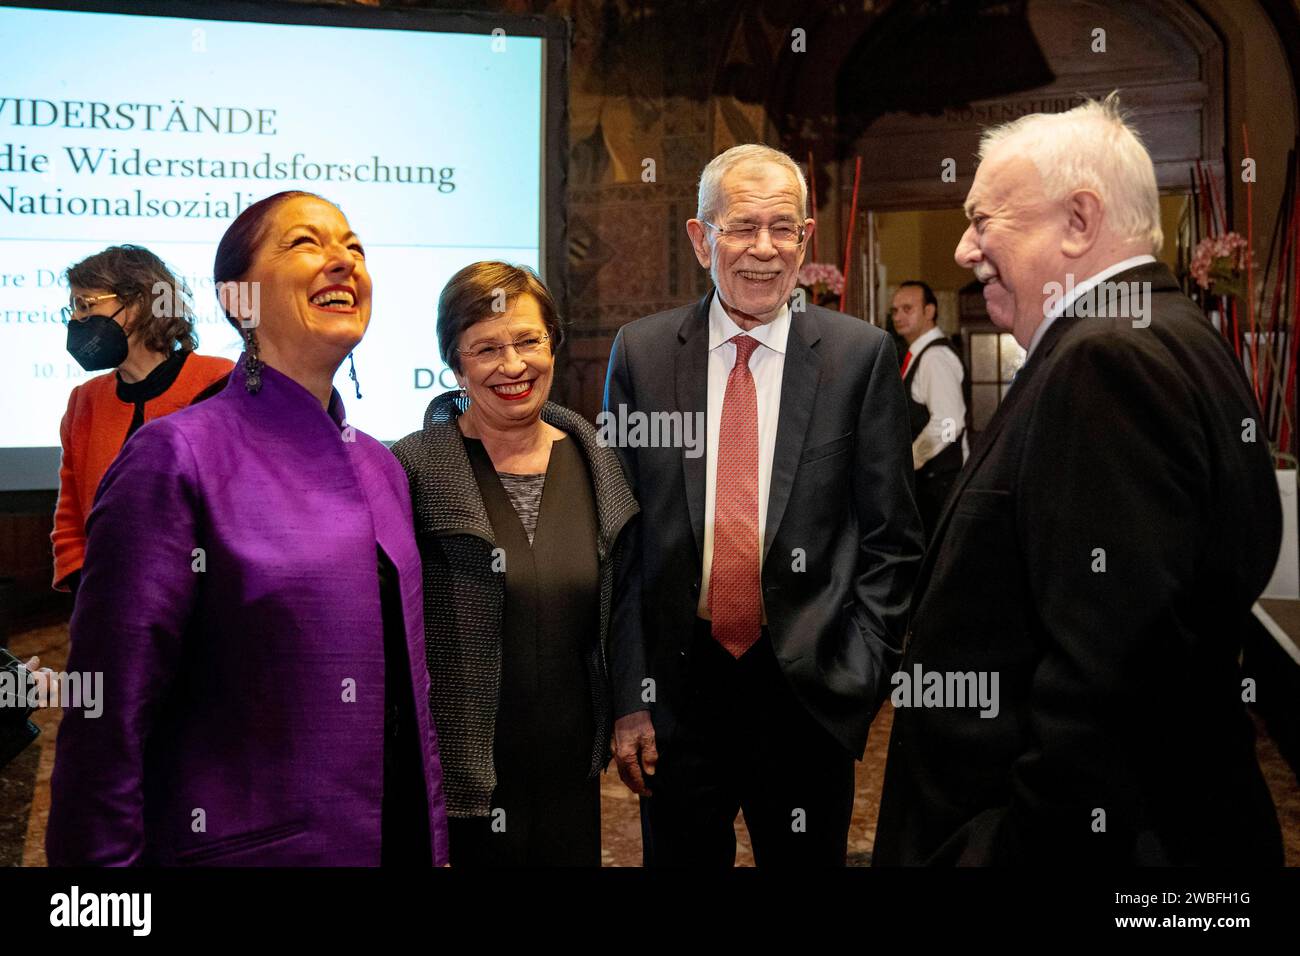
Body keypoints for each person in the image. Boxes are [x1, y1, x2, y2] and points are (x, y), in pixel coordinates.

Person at [873, 94, 1284, 866]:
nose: (963, 249)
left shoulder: (1107, 362)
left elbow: (1112, 695)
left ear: (1079, 219)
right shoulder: (1172, 331)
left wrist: (998, 853)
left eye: (983, 220)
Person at [46, 191, 450, 866]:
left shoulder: (380, 466)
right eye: (305, 243)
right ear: (239, 299)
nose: (343, 261)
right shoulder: (176, 457)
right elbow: (106, 718)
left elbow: (411, 703)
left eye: (353, 246)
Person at [604, 144, 924, 866]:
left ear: (806, 240)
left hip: (808, 692)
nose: (764, 248)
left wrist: (858, 676)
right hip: (678, 694)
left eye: (784, 228)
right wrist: (629, 694)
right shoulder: (643, 355)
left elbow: (894, 539)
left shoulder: (859, 357)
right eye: (743, 226)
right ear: (701, 239)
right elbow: (621, 544)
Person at [392, 261, 638, 867]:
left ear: (553, 344)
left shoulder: (599, 464)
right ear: (455, 365)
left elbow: (627, 605)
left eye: (529, 340)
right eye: (486, 349)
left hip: (571, 772)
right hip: (459, 778)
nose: (513, 365)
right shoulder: (411, 470)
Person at [52, 246, 233, 595]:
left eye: (86, 305)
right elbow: (70, 516)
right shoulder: (83, 401)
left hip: (206, 598)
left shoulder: (220, 383)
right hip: (110, 598)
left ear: (136, 304)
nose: (75, 319)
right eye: (72, 306)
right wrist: (85, 586)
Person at [889, 280, 968, 538]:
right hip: (929, 483)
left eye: (907, 309)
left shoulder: (934, 357)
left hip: (940, 483)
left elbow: (949, 423)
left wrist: (909, 459)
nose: (898, 316)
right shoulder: (919, 355)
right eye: (895, 310)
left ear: (929, 311)